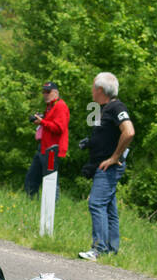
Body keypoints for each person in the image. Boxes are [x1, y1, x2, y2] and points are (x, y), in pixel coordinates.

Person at [78, 72, 134, 261]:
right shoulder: (102, 108)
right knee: (109, 207)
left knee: (96, 203)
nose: (91, 90)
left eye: (93, 87)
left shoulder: (116, 107)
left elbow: (129, 132)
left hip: (108, 167)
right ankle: (111, 249)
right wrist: (90, 143)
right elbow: (105, 135)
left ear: (100, 90)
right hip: (101, 166)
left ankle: (98, 249)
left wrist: (114, 157)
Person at [24, 81, 69, 198]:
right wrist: (41, 119)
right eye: (43, 91)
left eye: (48, 92)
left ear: (55, 93)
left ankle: (53, 207)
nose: (45, 94)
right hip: (43, 147)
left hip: (51, 150)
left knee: (50, 180)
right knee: (31, 178)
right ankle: (30, 203)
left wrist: (42, 122)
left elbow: (59, 128)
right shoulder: (50, 106)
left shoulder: (60, 106)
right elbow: (50, 123)